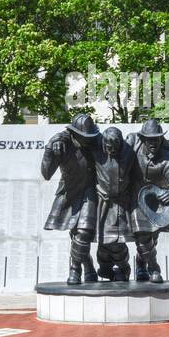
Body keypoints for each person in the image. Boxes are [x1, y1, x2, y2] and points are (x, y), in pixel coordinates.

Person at [126, 118, 169, 284]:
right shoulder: (132, 143)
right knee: (143, 236)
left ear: (162, 138)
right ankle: (154, 268)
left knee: (152, 240)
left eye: (156, 138)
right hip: (133, 200)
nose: (153, 142)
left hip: (156, 206)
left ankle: (141, 264)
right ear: (143, 138)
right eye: (149, 139)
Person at [40, 113, 101, 285]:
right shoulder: (62, 143)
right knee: (76, 233)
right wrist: (50, 148)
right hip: (69, 191)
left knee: (84, 232)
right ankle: (88, 265)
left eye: (90, 137)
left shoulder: (96, 141)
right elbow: (46, 173)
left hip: (90, 190)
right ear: (74, 133)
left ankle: (75, 270)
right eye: (84, 137)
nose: (88, 141)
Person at [94, 126, 138, 282]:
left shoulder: (129, 150)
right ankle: (105, 267)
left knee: (115, 240)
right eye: (108, 146)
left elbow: (143, 138)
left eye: (115, 146)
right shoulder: (96, 148)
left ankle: (123, 268)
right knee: (103, 241)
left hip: (120, 202)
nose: (111, 150)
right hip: (102, 202)